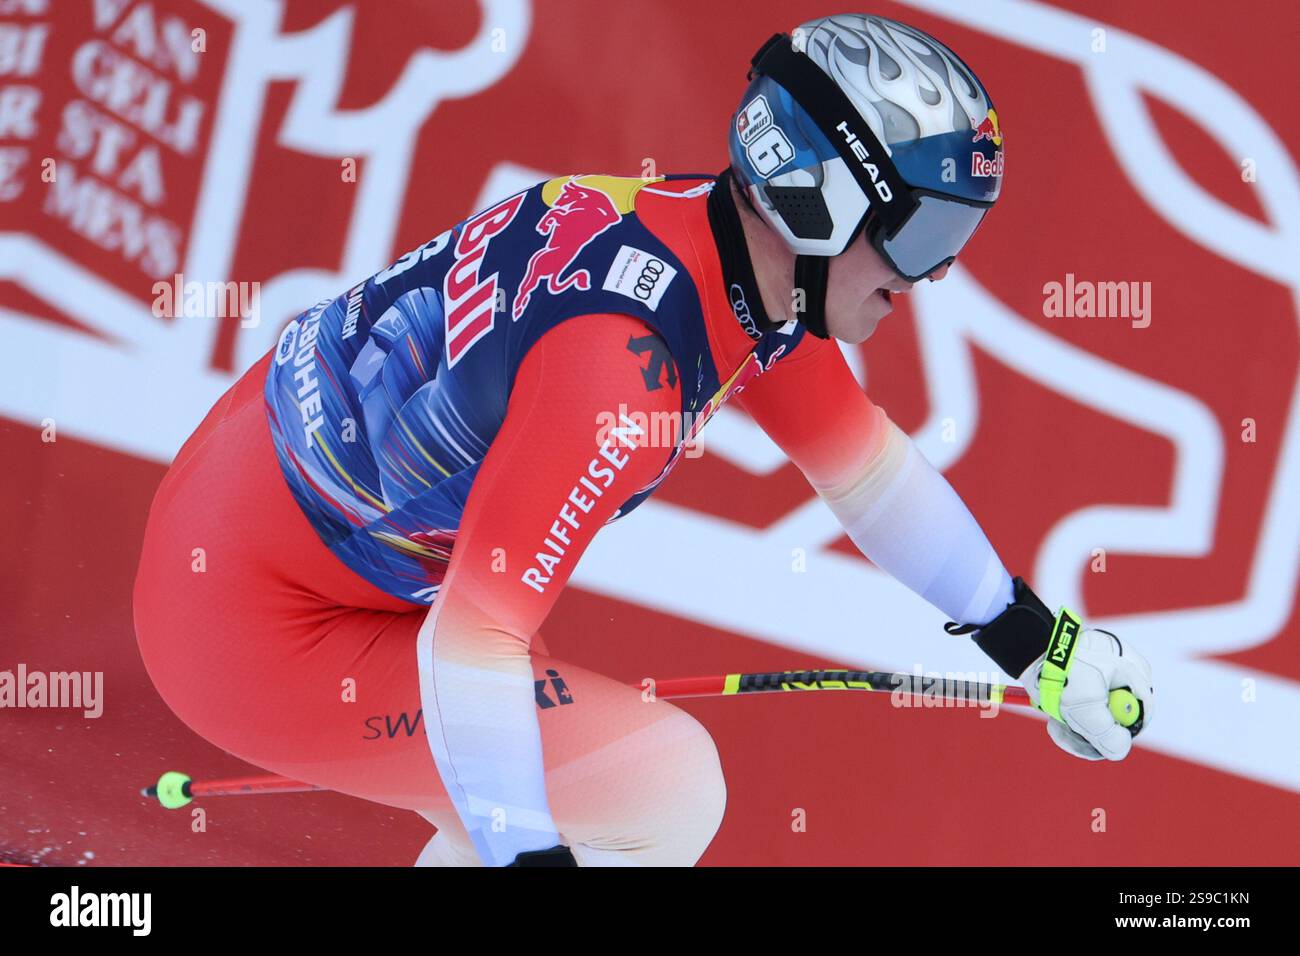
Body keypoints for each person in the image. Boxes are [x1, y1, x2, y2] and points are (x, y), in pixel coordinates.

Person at [133, 13, 1154, 867]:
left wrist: (1040, 649)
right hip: (260, 628)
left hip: (250, 531)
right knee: (663, 785)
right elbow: (471, 642)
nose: (927, 279)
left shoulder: (701, 252)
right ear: (816, 198)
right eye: (923, 237)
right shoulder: (625, 369)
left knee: (545, 766)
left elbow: (873, 476)